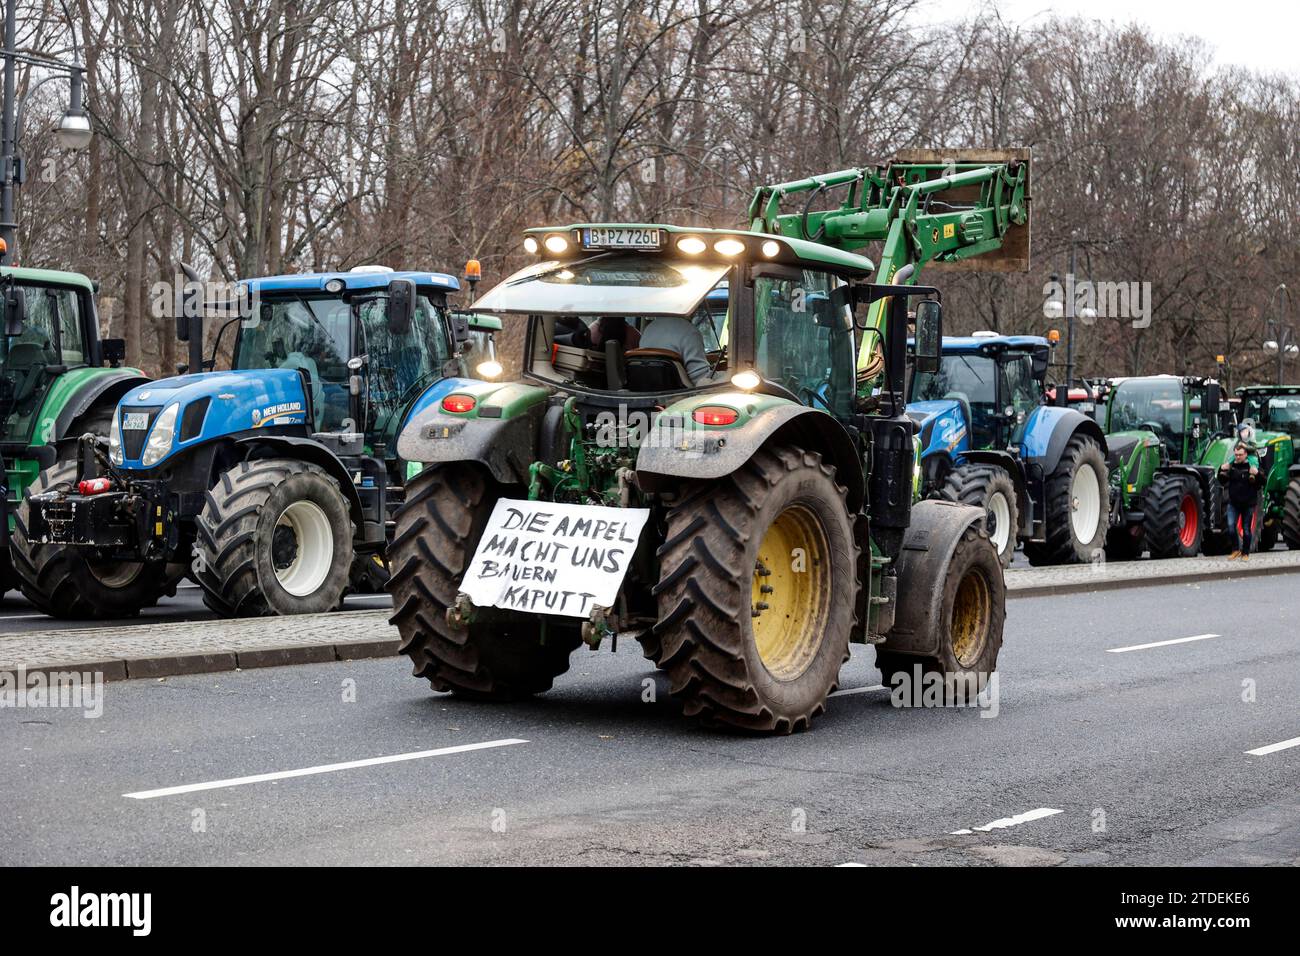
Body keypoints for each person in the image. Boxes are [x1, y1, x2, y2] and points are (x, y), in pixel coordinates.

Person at [1218, 442, 1263, 559]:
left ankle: (1245, 553)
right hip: (1234, 503)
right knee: (1231, 526)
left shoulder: (1252, 465)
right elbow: (1222, 481)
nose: (1238, 457)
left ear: (1246, 454)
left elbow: (1261, 482)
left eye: (1240, 455)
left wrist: (1257, 474)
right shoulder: (1232, 466)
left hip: (1248, 504)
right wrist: (1221, 469)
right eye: (1236, 454)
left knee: (1246, 530)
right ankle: (1235, 549)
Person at [640, 315, 711, 385]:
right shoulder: (688, 330)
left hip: (647, 391)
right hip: (682, 394)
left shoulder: (648, 329)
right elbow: (700, 379)